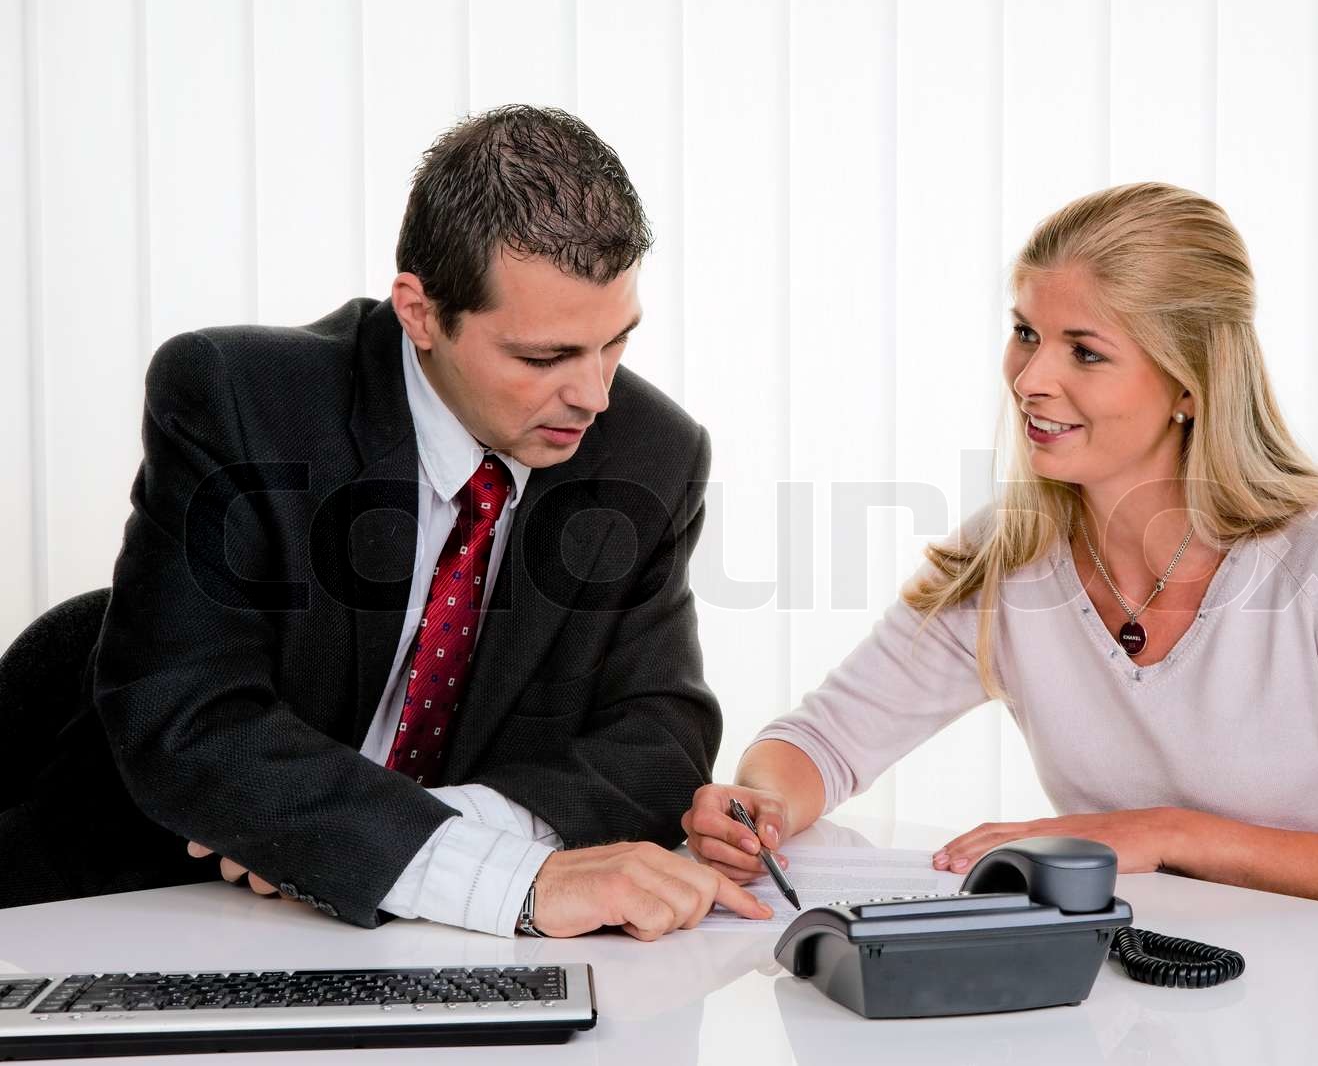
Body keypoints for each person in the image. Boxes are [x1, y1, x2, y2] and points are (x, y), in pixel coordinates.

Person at [0, 105, 770, 939]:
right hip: (131, 915)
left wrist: (383, 836)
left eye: (615, 341)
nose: (594, 393)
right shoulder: (240, 401)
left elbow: (661, 739)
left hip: (419, 943)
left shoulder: (649, 453)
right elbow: (190, 721)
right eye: (543, 357)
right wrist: (513, 879)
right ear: (420, 311)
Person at [684, 182, 1318, 925]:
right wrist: (763, 804)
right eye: (1026, 333)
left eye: (1086, 351)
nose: (1031, 378)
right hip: (1131, 995)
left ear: (1190, 381)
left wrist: (1166, 833)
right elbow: (824, 740)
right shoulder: (1008, 555)